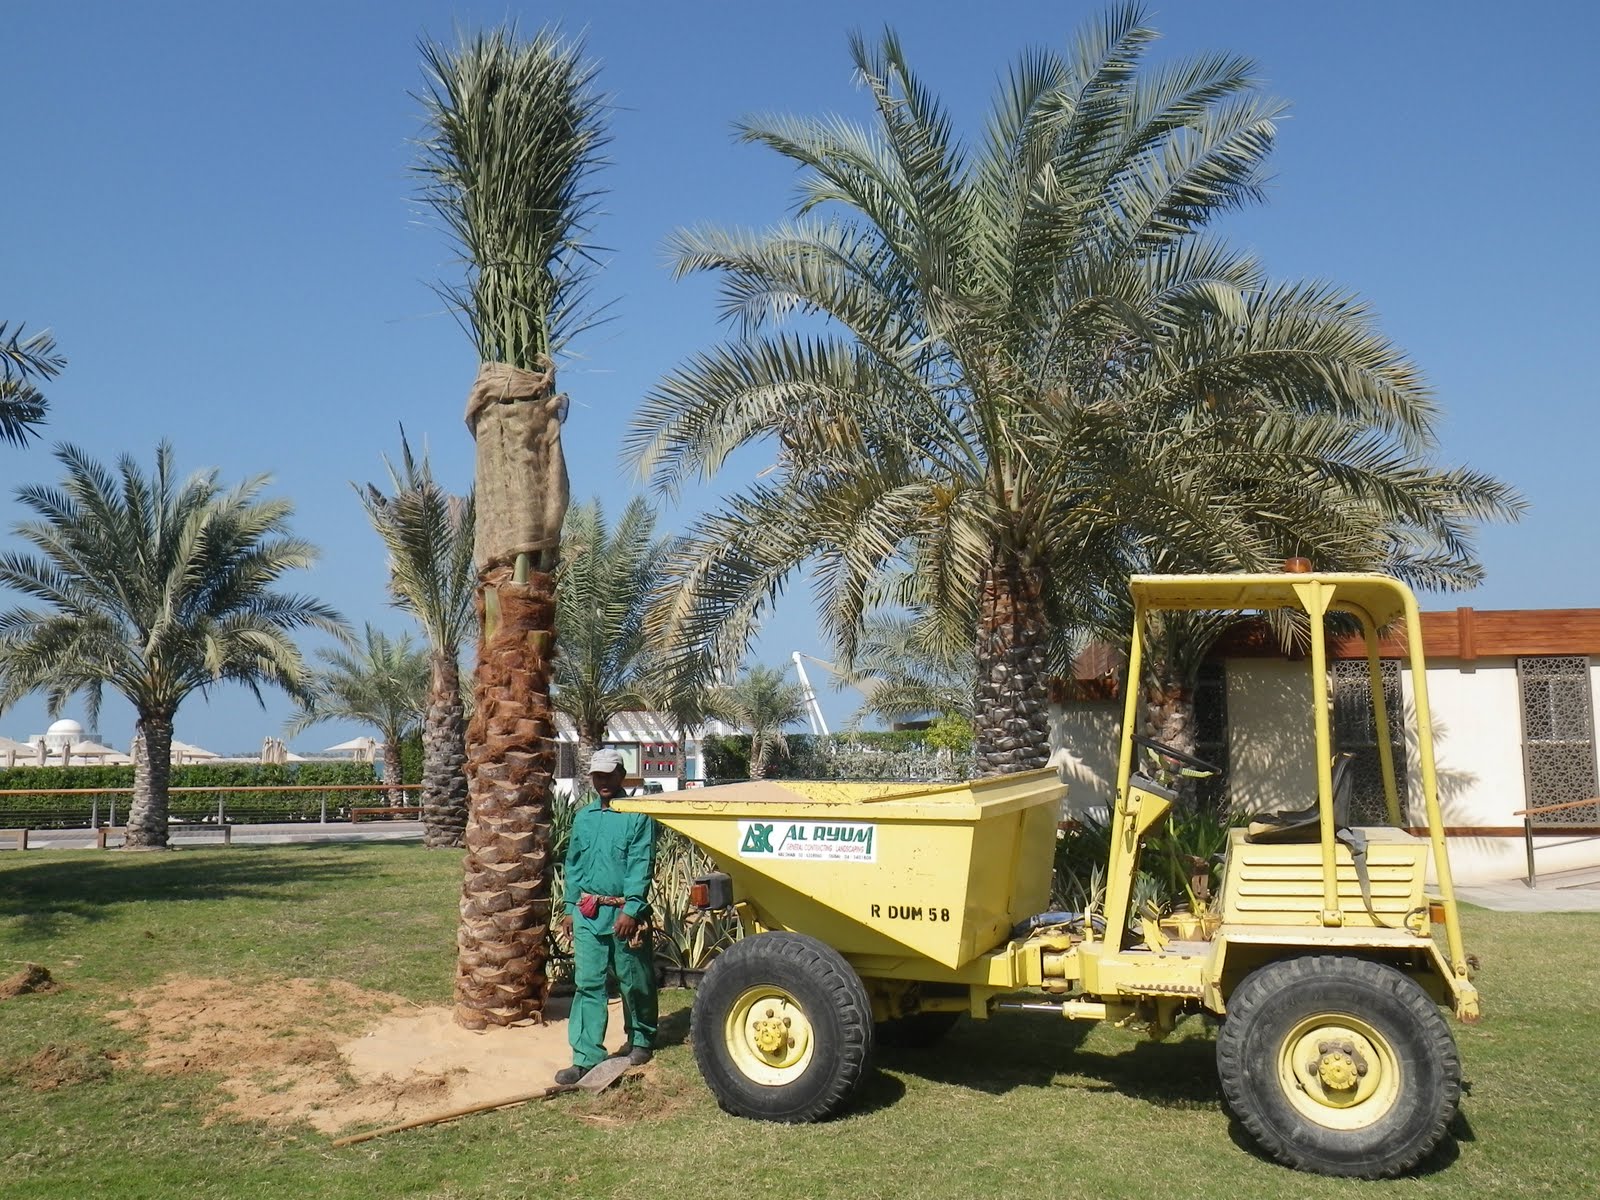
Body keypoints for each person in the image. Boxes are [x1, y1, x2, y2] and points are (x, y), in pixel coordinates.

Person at [555, 747, 659, 1084]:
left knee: (633, 979)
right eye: (597, 775)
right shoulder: (584, 817)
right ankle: (585, 1057)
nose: (603, 781)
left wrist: (631, 908)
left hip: (622, 914)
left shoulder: (637, 815)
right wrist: (570, 907)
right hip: (587, 912)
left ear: (621, 774)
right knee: (588, 984)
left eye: (609, 774)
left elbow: (640, 865)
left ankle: (641, 1037)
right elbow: (574, 863)